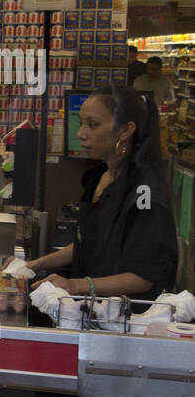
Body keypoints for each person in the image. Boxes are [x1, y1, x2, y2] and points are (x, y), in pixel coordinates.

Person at [27, 85, 177, 297]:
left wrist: (75, 285)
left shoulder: (145, 193)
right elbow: (87, 241)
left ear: (126, 130)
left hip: (126, 319)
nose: (80, 134)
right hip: (93, 312)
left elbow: (142, 277)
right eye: (81, 123)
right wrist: (34, 264)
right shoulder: (99, 176)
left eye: (93, 125)